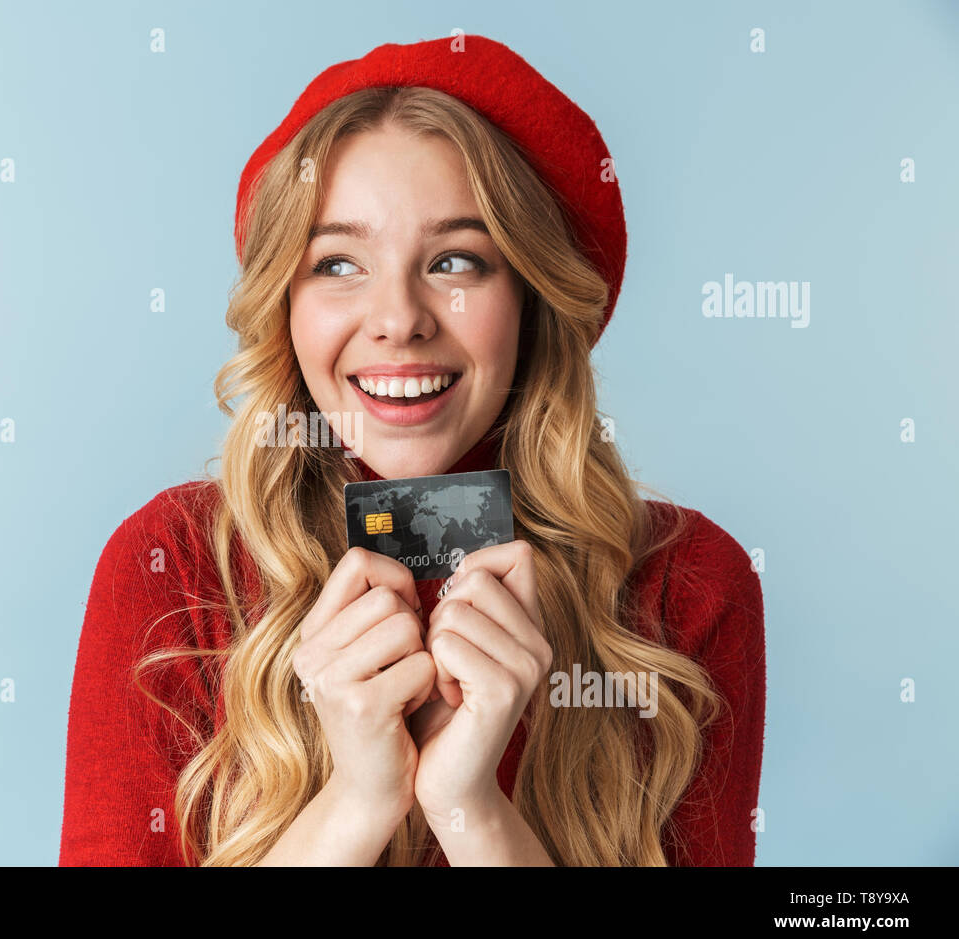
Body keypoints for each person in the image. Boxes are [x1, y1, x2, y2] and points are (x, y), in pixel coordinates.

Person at [59, 35, 765, 866]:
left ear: (531, 299)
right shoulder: (169, 568)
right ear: (285, 304)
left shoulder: (686, 588)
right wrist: (358, 804)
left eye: (455, 261)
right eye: (338, 263)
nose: (399, 318)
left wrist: (471, 809)